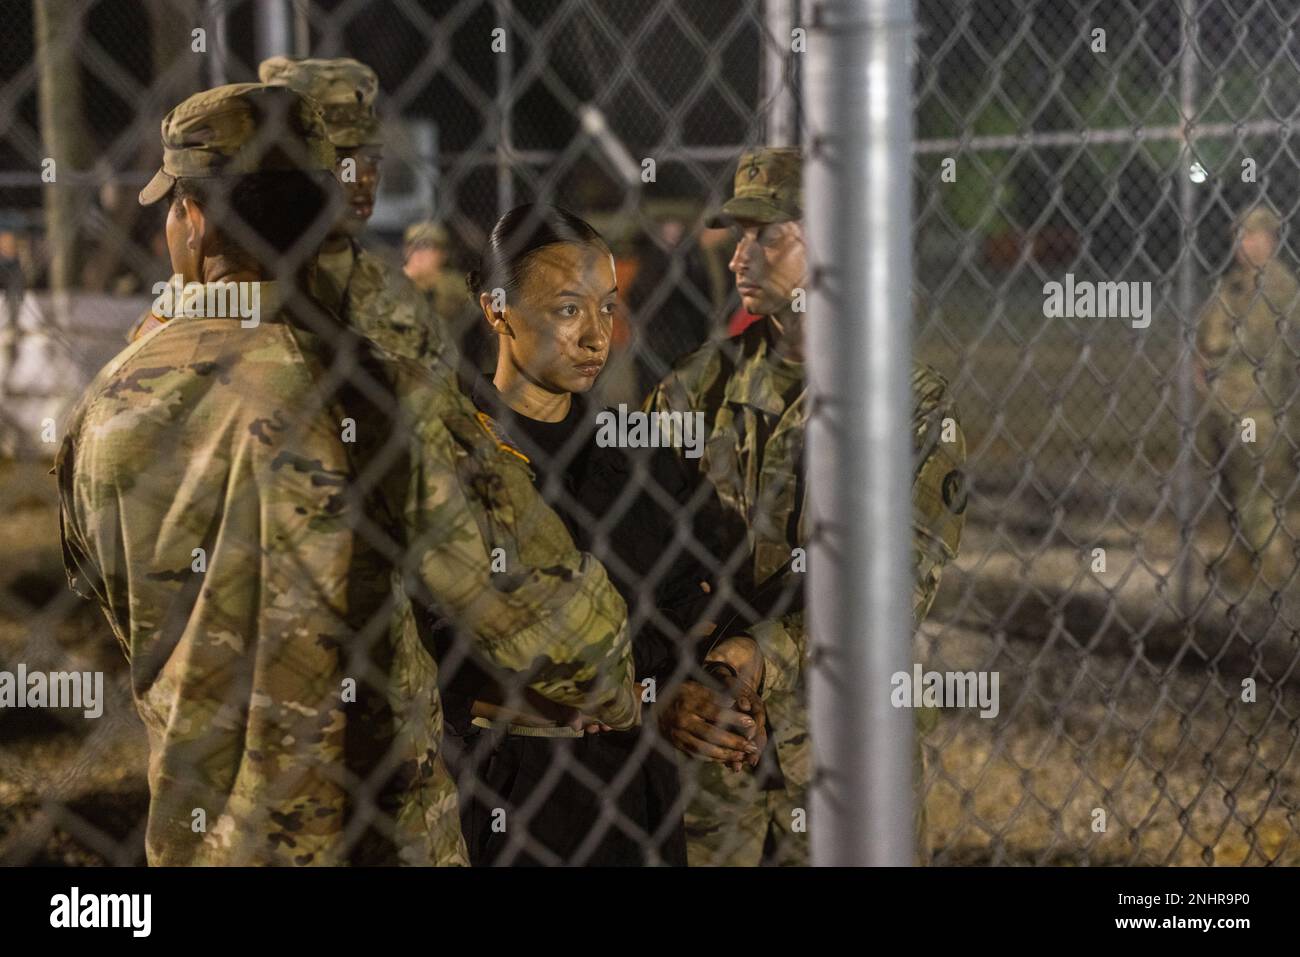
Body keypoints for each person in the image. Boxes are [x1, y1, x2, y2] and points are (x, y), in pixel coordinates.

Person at [55, 83, 638, 867]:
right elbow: (532, 604)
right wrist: (611, 684)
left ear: (193, 220)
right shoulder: (382, 387)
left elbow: (112, 597)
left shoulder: (107, 402)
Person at [648, 147, 969, 865]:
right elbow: (637, 545)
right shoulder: (695, 386)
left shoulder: (907, 402)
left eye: (768, 236)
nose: (740, 256)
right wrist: (681, 669)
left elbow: (896, 584)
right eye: (738, 235)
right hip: (716, 734)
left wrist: (760, 654)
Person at [441, 203, 739, 865]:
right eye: (568, 310)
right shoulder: (448, 458)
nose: (596, 336)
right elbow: (423, 642)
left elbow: (693, 598)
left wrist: (677, 687)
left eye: (607, 308)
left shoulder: (638, 456)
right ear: (497, 311)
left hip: (634, 796)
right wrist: (563, 697)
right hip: (504, 793)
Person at [257, 55, 455, 371]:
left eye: (372, 159)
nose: (364, 177)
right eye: (340, 160)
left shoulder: (397, 294)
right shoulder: (242, 291)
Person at [1196, 204, 1300, 591]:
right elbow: (1205, 340)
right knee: (1234, 486)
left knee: (1258, 491)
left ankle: (1270, 572)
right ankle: (1245, 562)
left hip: (1260, 414)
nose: (1245, 244)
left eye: (1253, 236)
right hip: (1225, 408)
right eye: (1240, 236)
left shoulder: (1281, 291)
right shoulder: (1233, 285)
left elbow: (1263, 349)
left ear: (1271, 240)